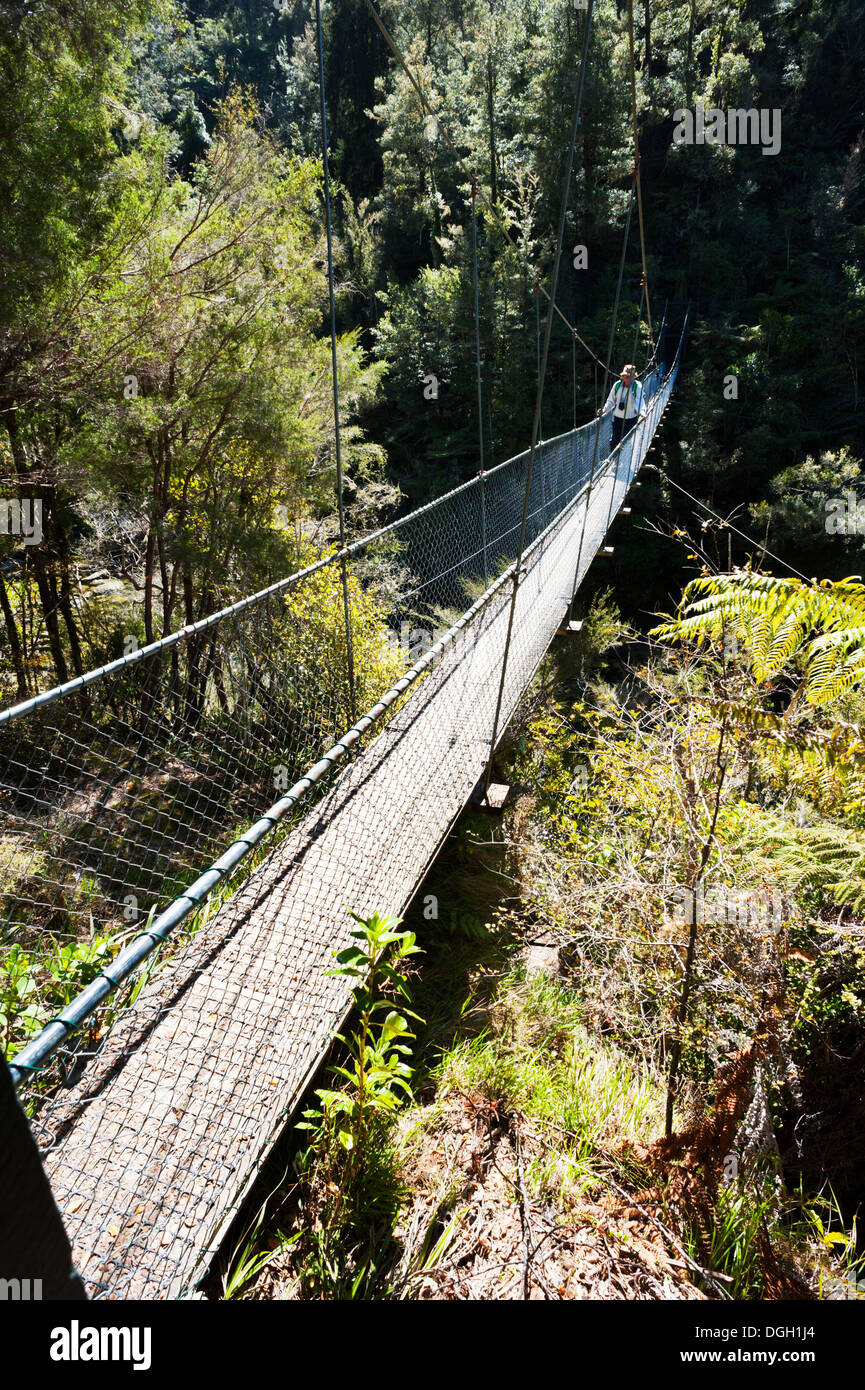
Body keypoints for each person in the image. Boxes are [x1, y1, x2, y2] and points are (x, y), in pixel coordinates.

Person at [598, 363, 647, 450]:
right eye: (625, 376)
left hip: (631, 420)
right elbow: (611, 401)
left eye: (629, 377)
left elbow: (640, 402)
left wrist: (642, 412)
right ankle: (614, 461)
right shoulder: (617, 385)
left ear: (633, 378)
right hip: (617, 418)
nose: (627, 379)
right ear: (623, 376)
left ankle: (624, 462)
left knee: (626, 442)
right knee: (614, 442)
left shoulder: (637, 386)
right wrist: (604, 410)